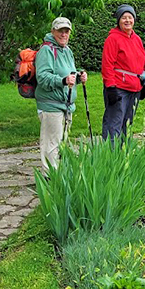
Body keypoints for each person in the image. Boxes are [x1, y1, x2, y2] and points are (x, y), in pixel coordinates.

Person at [35, 16, 87, 172]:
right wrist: (63, 81)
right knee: (51, 143)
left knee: (60, 143)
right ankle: (49, 177)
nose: (64, 34)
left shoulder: (66, 50)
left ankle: (57, 173)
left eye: (66, 31)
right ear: (53, 31)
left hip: (65, 105)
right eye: (60, 31)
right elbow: (42, 77)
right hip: (51, 105)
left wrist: (79, 76)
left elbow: (68, 73)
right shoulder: (46, 50)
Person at [101, 4, 145, 140]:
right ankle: (110, 154)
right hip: (119, 88)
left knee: (127, 122)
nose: (127, 20)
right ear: (118, 21)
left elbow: (142, 61)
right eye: (124, 18)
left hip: (134, 88)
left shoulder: (137, 39)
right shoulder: (113, 39)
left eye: (130, 17)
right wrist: (110, 87)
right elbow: (107, 64)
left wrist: (143, 81)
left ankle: (122, 154)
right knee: (114, 122)